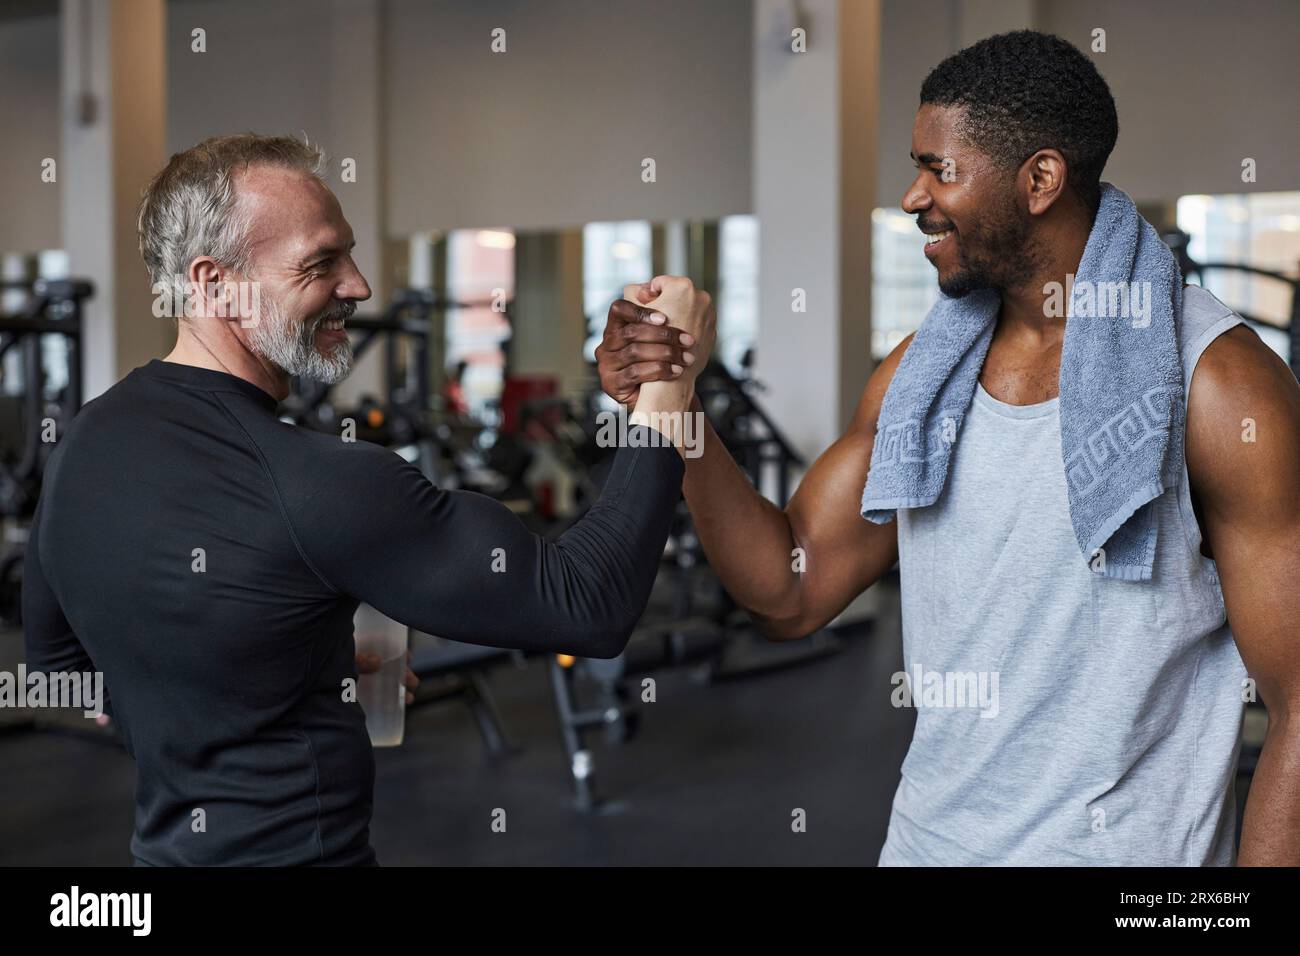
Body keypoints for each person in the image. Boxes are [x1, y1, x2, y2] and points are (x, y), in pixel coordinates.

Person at [597, 31, 1300, 865]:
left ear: (1039, 180)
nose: (911, 196)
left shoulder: (1218, 387)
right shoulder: (918, 380)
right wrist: (675, 405)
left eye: (940, 169)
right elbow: (787, 592)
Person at [23, 133, 714, 866]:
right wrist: (670, 383)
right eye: (321, 263)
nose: (358, 286)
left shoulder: (82, 445)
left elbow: (62, 674)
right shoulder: (320, 482)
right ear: (214, 282)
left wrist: (273, 657)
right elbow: (589, 603)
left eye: (348, 254)